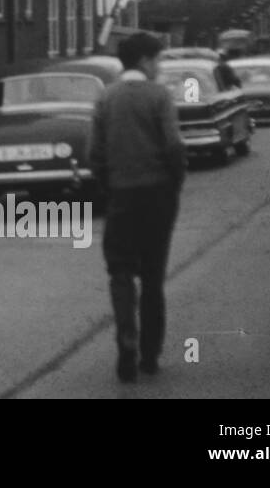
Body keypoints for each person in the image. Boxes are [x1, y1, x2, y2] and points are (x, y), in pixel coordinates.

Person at [89, 32, 188, 382]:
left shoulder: (106, 97)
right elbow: (174, 146)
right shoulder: (159, 96)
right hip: (158, 195)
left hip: (121, 196)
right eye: (157, 59)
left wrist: (109, 187)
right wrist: (175, 183)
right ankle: (150, 354)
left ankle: (126, 344)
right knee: (152, 275)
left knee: (120, 272)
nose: (159, 66)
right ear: (145, 60)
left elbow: (94, 152)